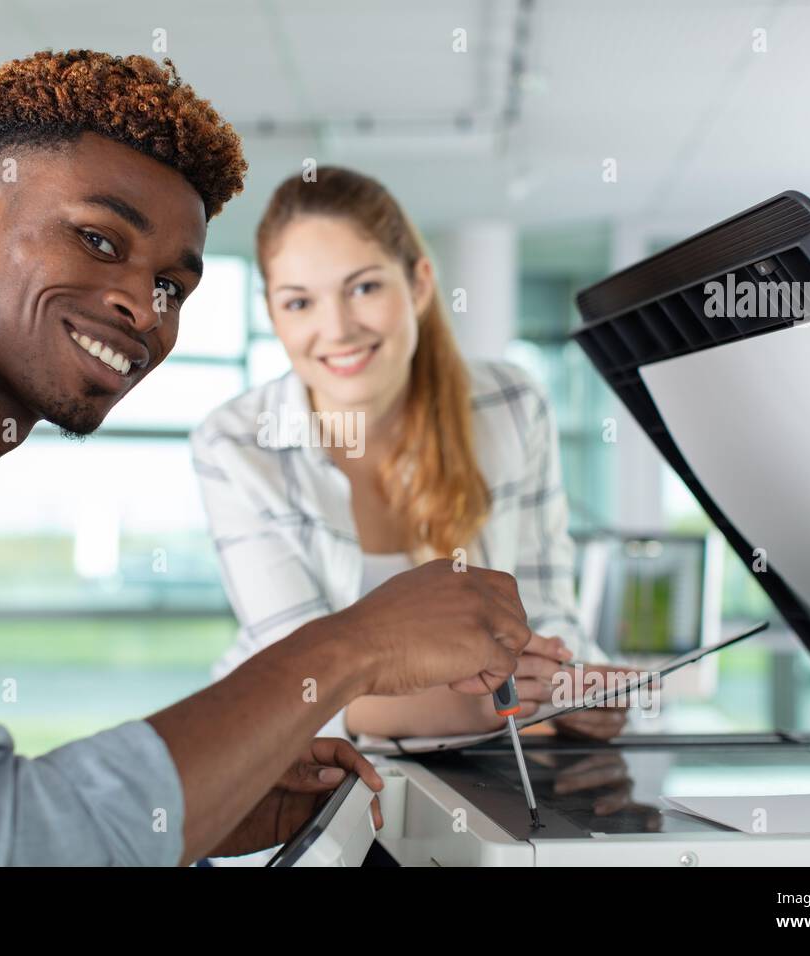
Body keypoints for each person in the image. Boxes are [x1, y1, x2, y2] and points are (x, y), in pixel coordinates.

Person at [0, 52, 552, 865]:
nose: (142, 305)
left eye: (174, 284)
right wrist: (358, 642)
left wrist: (181, 810)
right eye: (98, 239)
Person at [192, 167, 629, 741]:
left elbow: (544, 612)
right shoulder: (238, 443)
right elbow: (301, 686)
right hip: (306, 769)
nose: (338, 328)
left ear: (419, 285)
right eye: (299, 303)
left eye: (364, 288)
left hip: (492, 763)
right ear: (273, 314)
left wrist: (570, 685)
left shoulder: (511, 405)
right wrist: (512, 706)